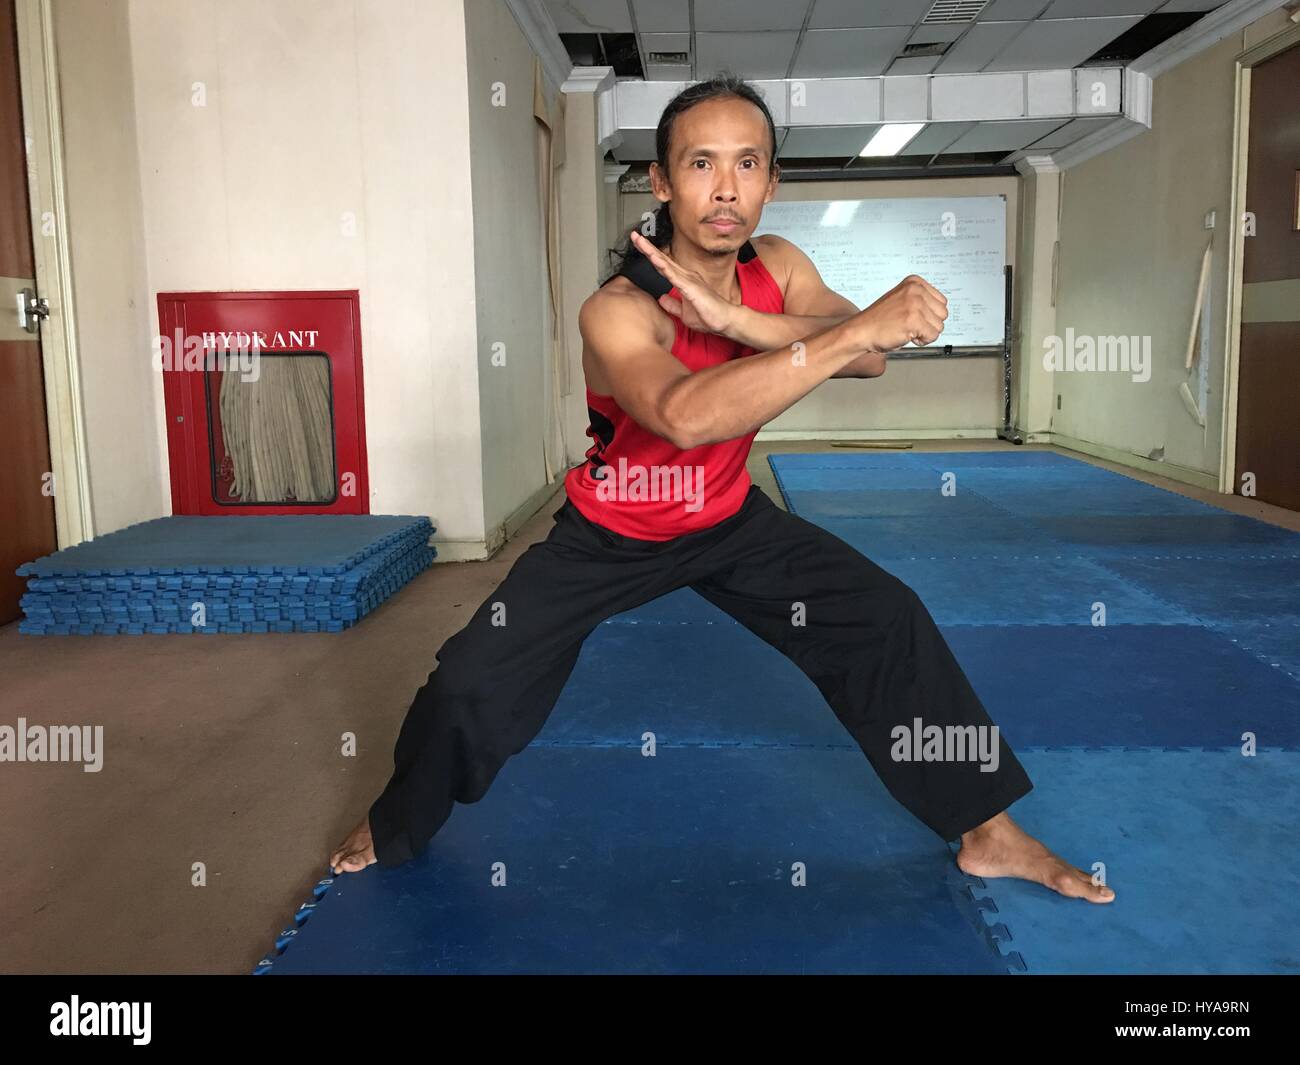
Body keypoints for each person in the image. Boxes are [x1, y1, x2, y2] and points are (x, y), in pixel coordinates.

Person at [330, 73, 1115, 906]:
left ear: (773, 182)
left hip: (728, 516)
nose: (726, 186)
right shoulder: (618, 308)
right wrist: (851, 328)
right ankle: (395, 822)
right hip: (615, 529)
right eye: (701, 163)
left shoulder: (778, 265)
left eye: (748, 163)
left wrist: (742, 324)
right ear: (662, 183)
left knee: (886, 618)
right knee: (469, 682)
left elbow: (871, 356)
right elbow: (687, 414)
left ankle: (987, 828)